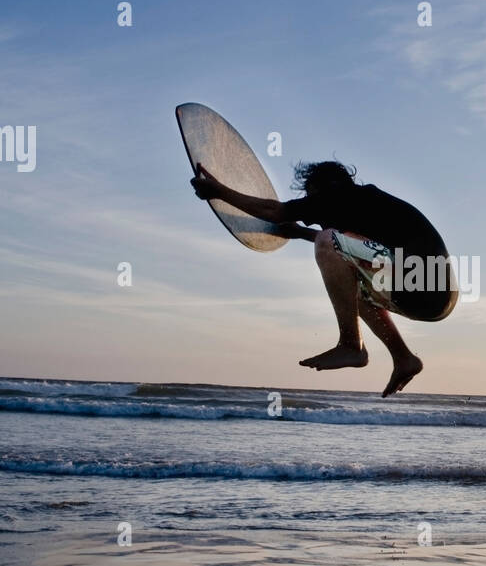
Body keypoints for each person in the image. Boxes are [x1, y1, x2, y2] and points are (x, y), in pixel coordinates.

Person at [191, 160, 457, 396]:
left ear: (320, 188)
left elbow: (275, 212)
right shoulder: (362, 203)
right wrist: (300, 234)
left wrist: (218, 191)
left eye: (309, 196)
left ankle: (351, 345)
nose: (310, 206)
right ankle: (403, 358)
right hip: (434, 295)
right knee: (348, 277)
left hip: (423, 282)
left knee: (327, 241)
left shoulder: (337, 194)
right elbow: (353, 247)